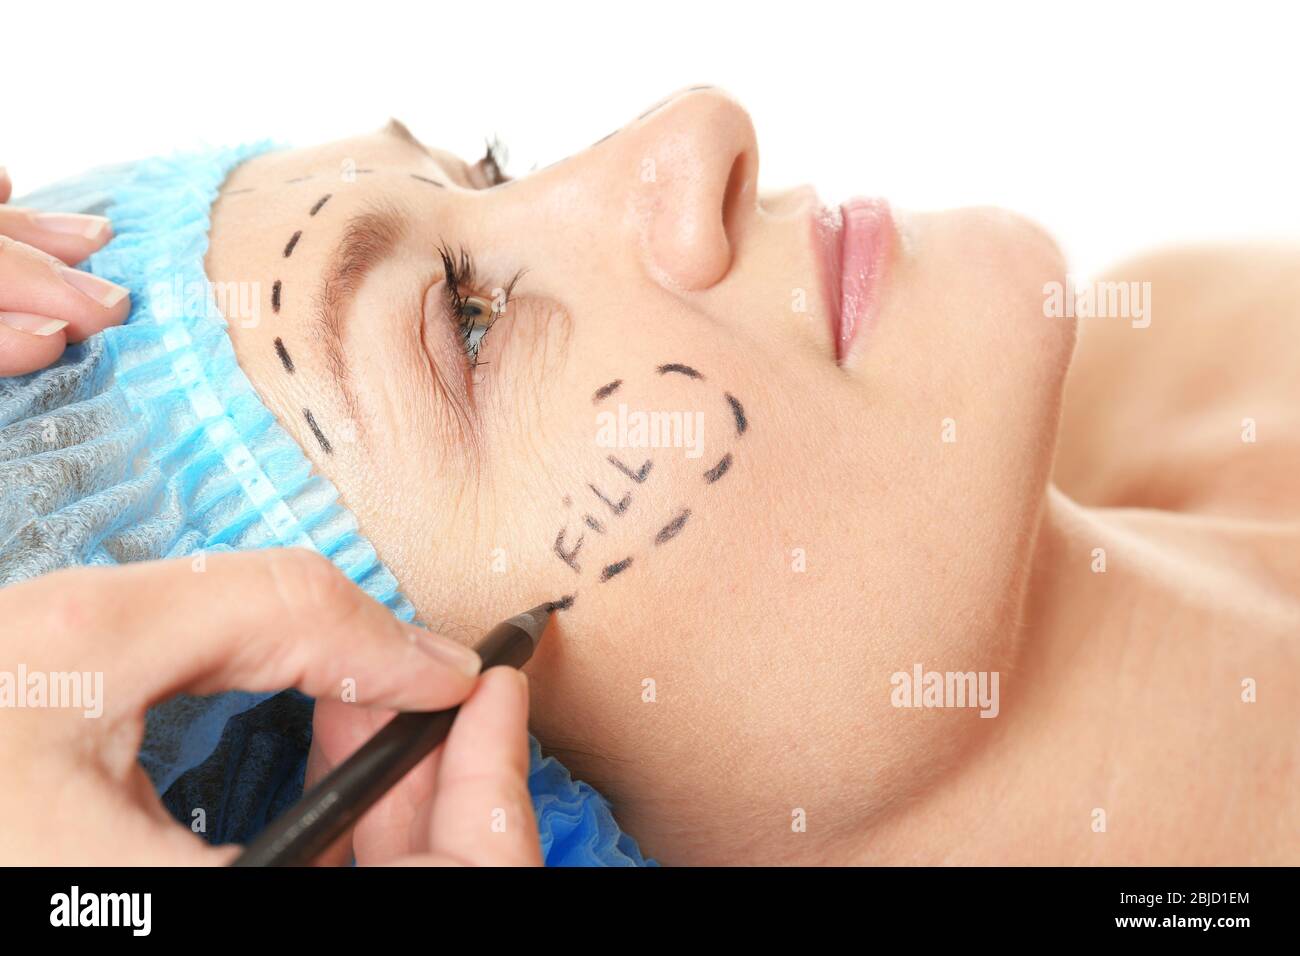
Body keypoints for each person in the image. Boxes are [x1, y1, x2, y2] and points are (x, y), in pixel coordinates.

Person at [5, 86, 1299, 865]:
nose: (690, 132)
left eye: (490, 172)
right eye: (465, 322)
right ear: (437, 782)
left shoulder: (1213, 340)